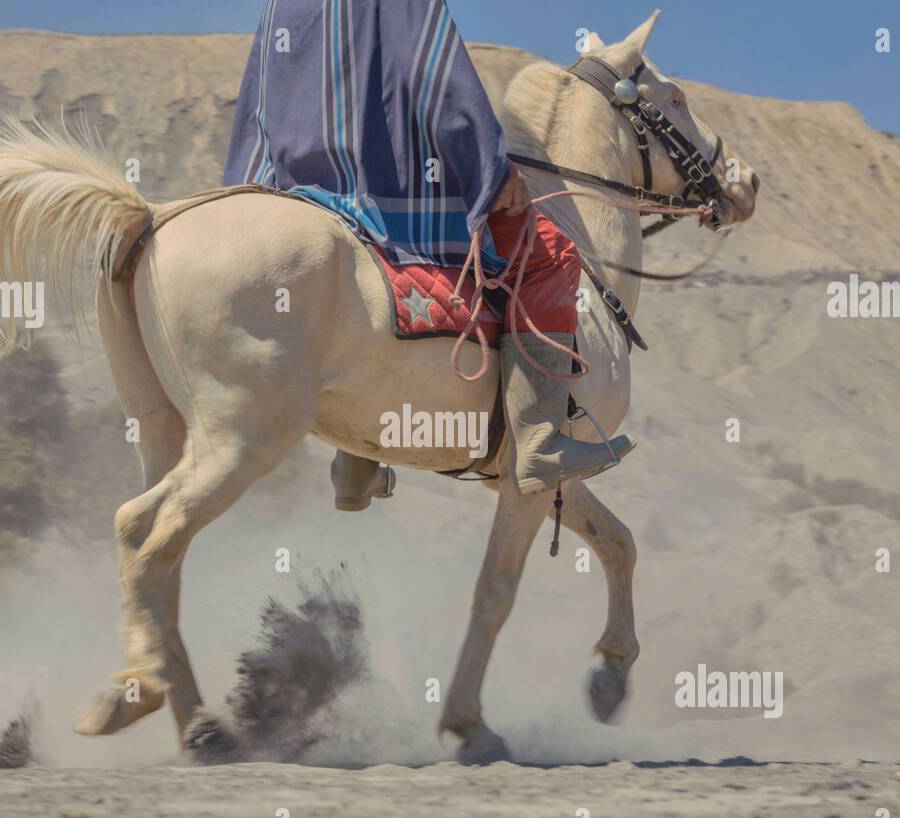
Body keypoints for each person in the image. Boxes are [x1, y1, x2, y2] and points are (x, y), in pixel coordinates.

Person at [223, 0, 633, 507]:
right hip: (374, 192)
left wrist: (247, 191)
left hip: (281, 186)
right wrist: (490, 169)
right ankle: (539, 442)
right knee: (548, 250)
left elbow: (257, 102)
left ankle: (359, 454)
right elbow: (438, 78)